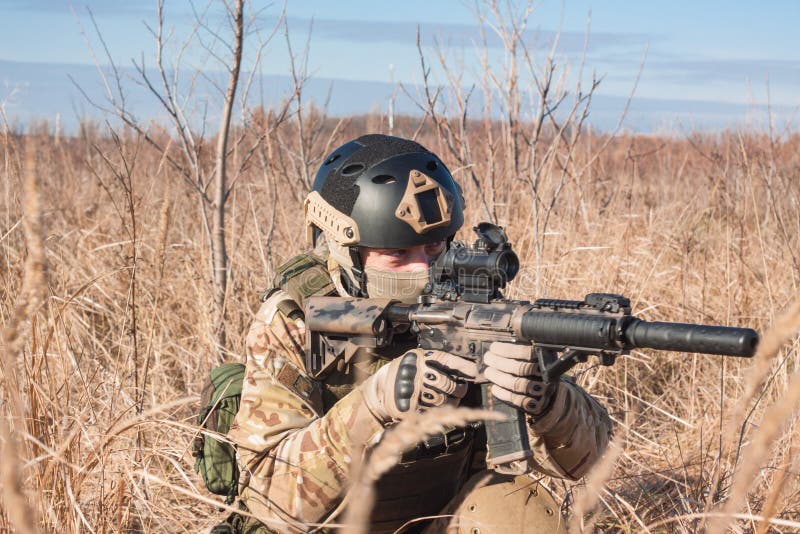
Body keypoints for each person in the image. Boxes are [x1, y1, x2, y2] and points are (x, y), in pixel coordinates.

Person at [228, 134, 613, 533]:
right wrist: (373, 405)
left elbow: (591, 462)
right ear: (347, 251)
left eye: (433, 248)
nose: (422, 271)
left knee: (517, 513)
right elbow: (265, 497)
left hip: (437, 518)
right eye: (397, 255)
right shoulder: (293, 320)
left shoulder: (471, 304)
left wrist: (546, 399)